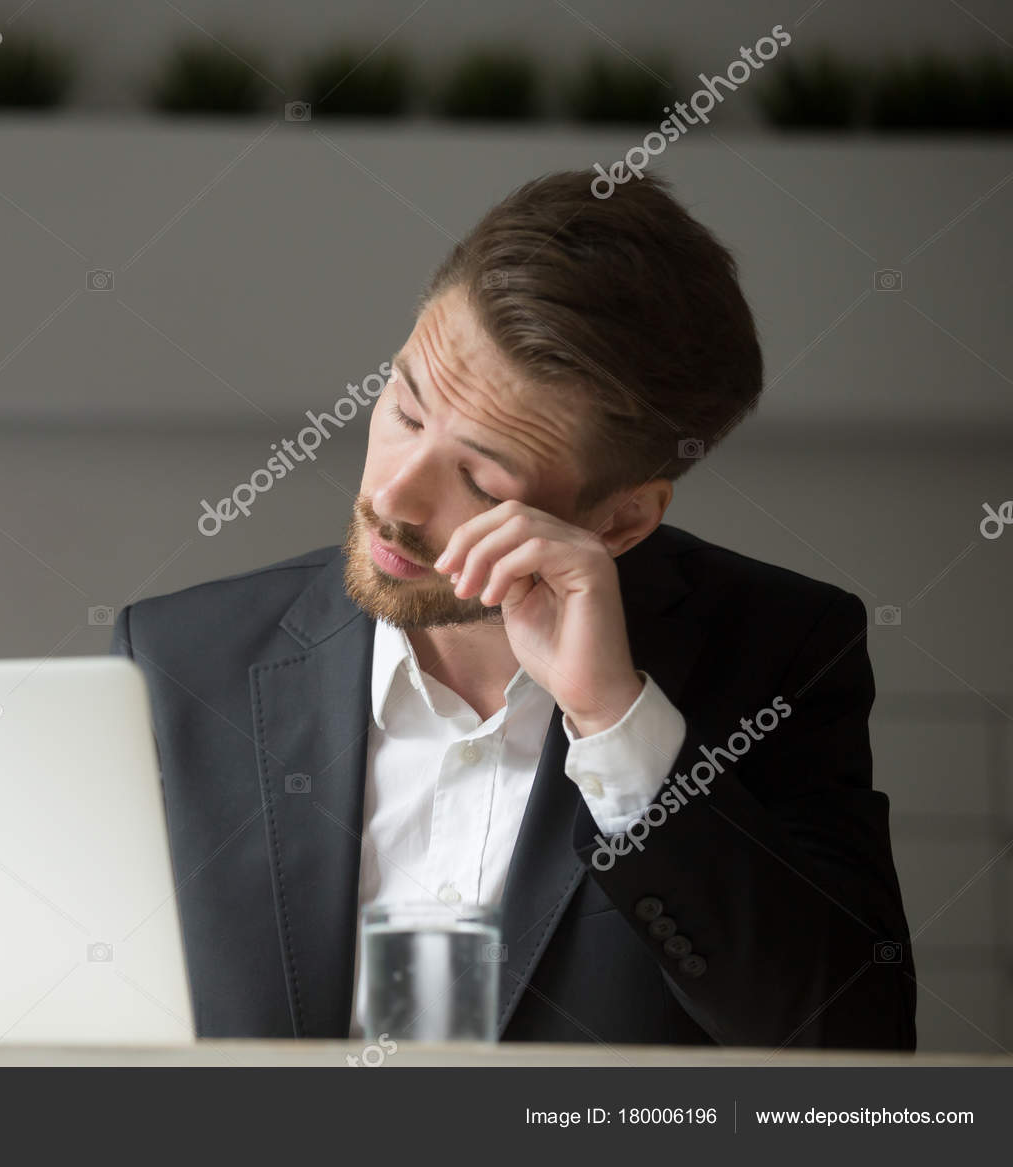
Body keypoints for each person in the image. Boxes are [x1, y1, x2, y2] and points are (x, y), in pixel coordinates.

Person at [110, 169, 915, 1048]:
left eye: (482, 480)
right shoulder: (175, 661)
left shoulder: (780, 653)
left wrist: (616, 722)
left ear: (621, 519)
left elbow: (854, 1047)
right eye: (406, 412)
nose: (394, 496)